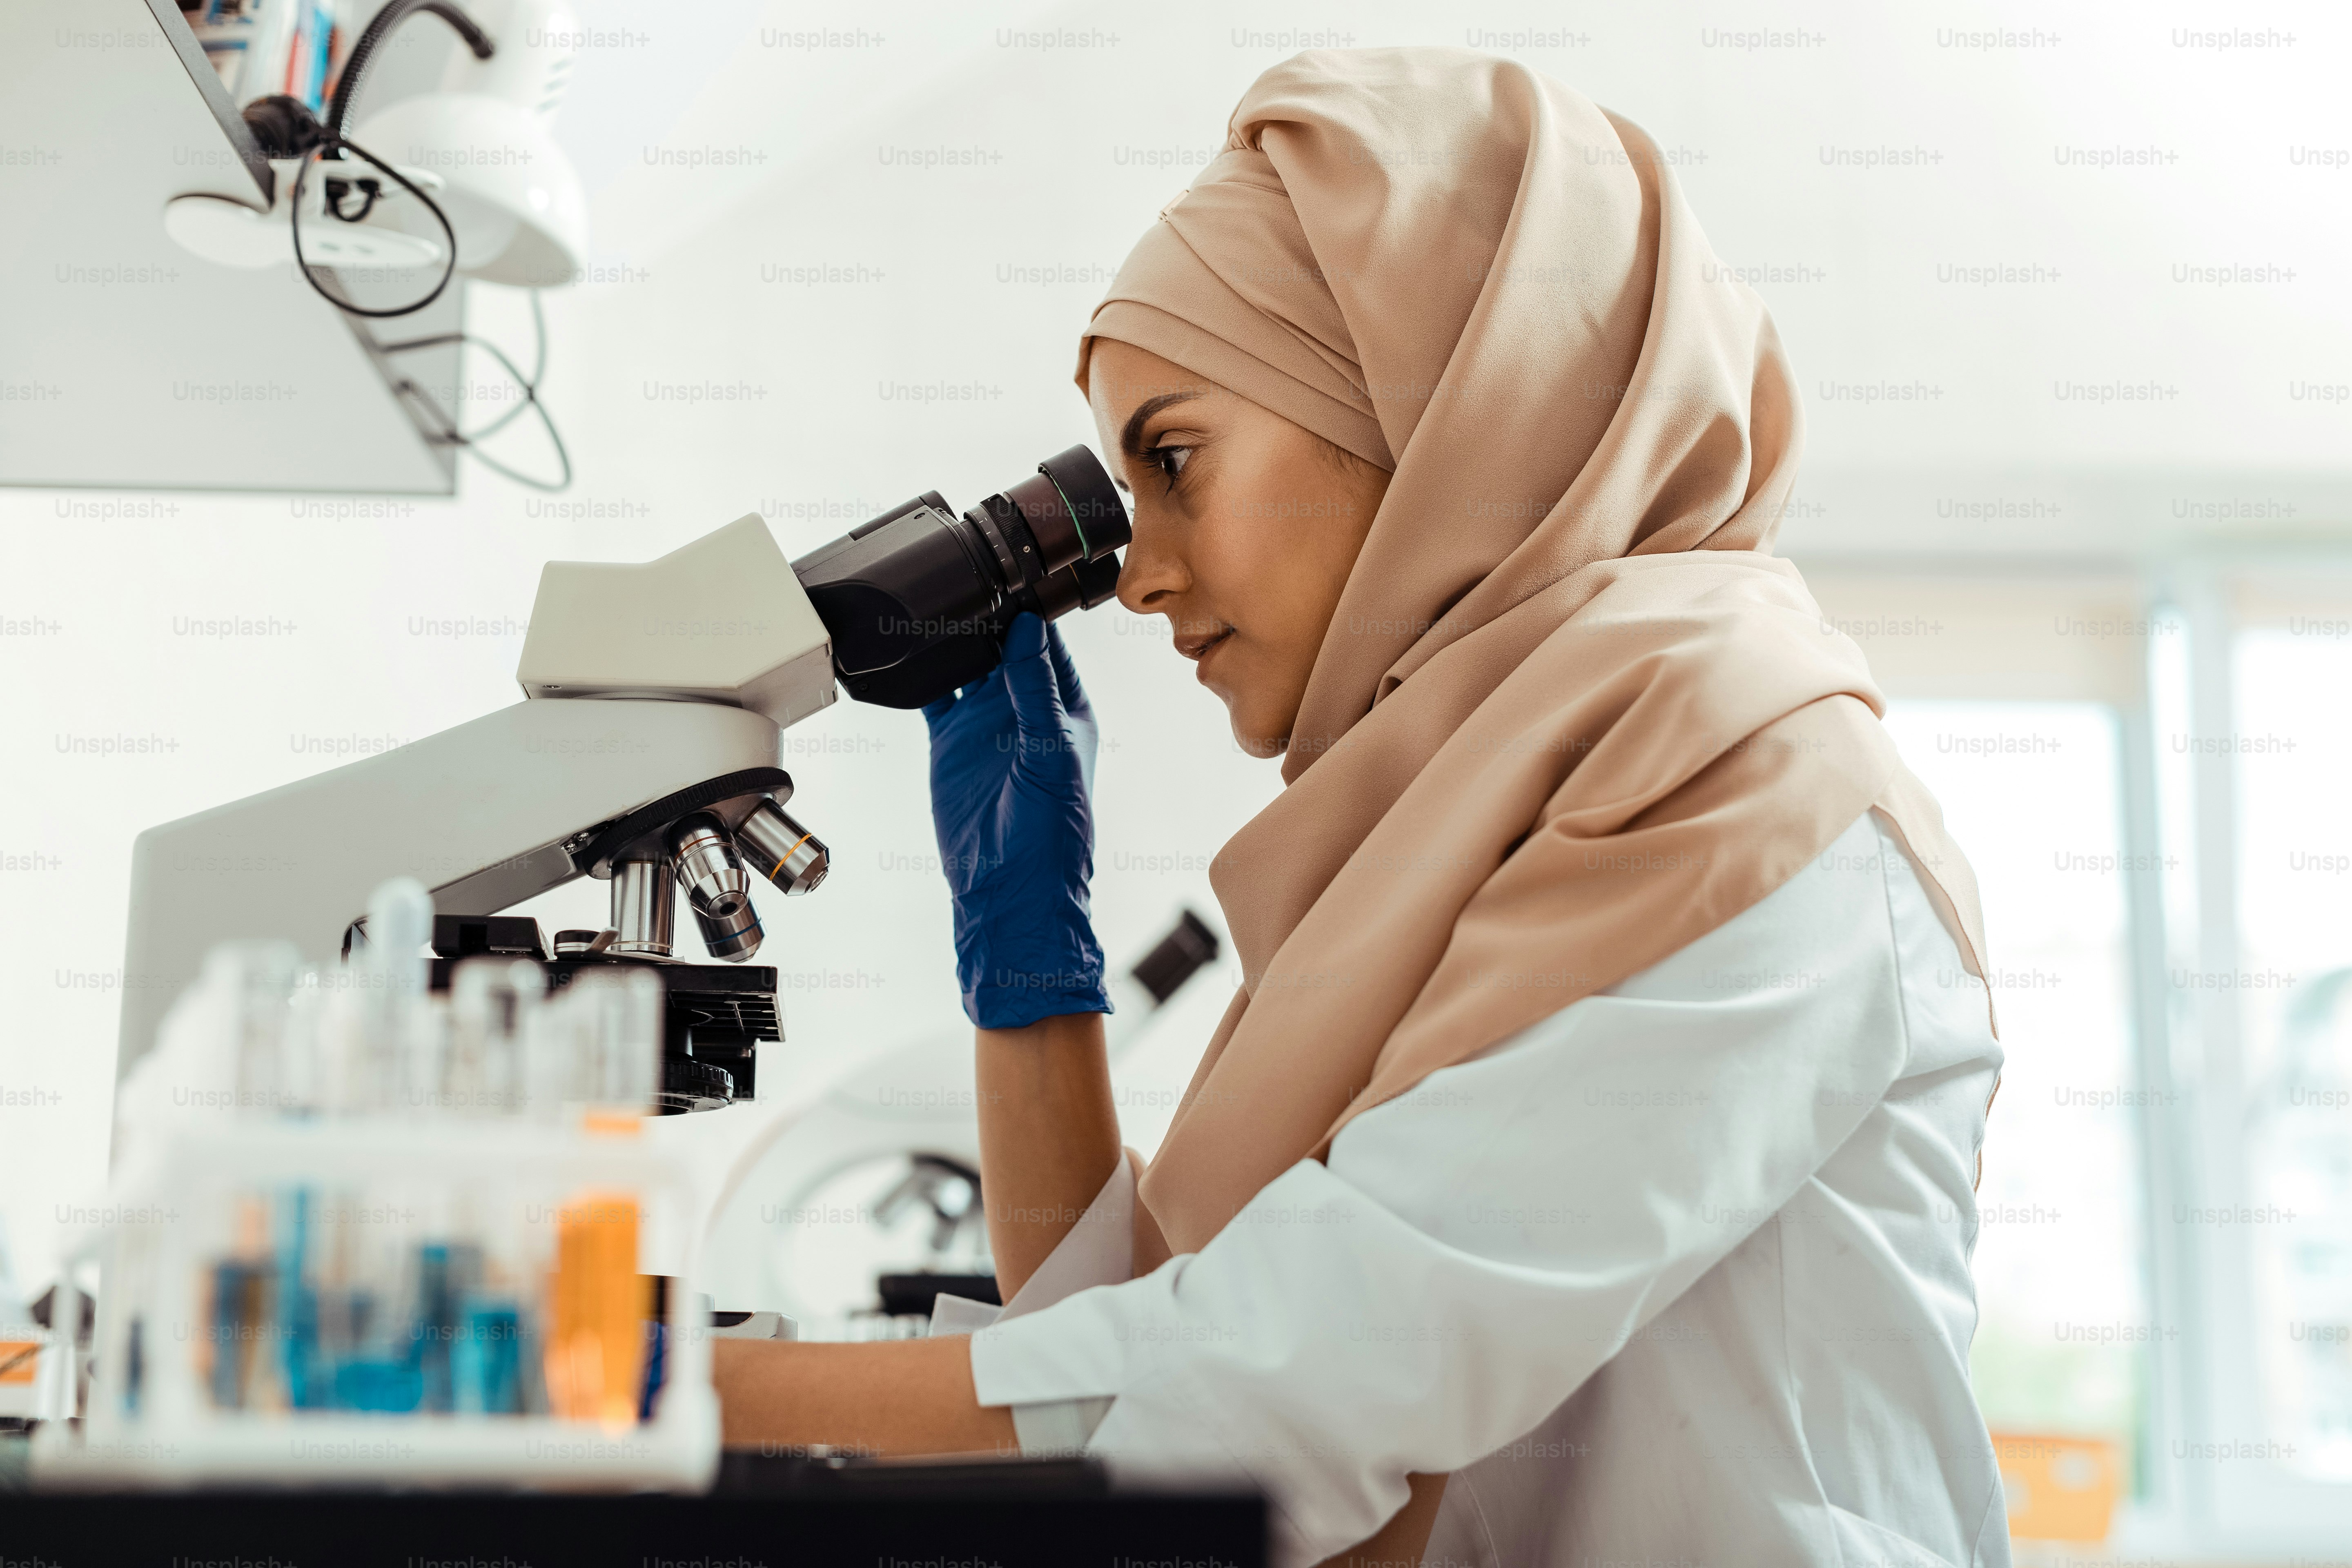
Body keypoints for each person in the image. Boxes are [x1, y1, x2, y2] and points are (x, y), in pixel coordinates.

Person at [715, 47, 2009, 1568]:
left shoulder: (1752, 783)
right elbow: (1130, 1353)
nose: (1136, 576)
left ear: (1442, 410)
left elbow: (1289, 1390)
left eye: (1178, 461)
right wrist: (1030, 974)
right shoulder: (1453, 817)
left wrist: (650, 1390)